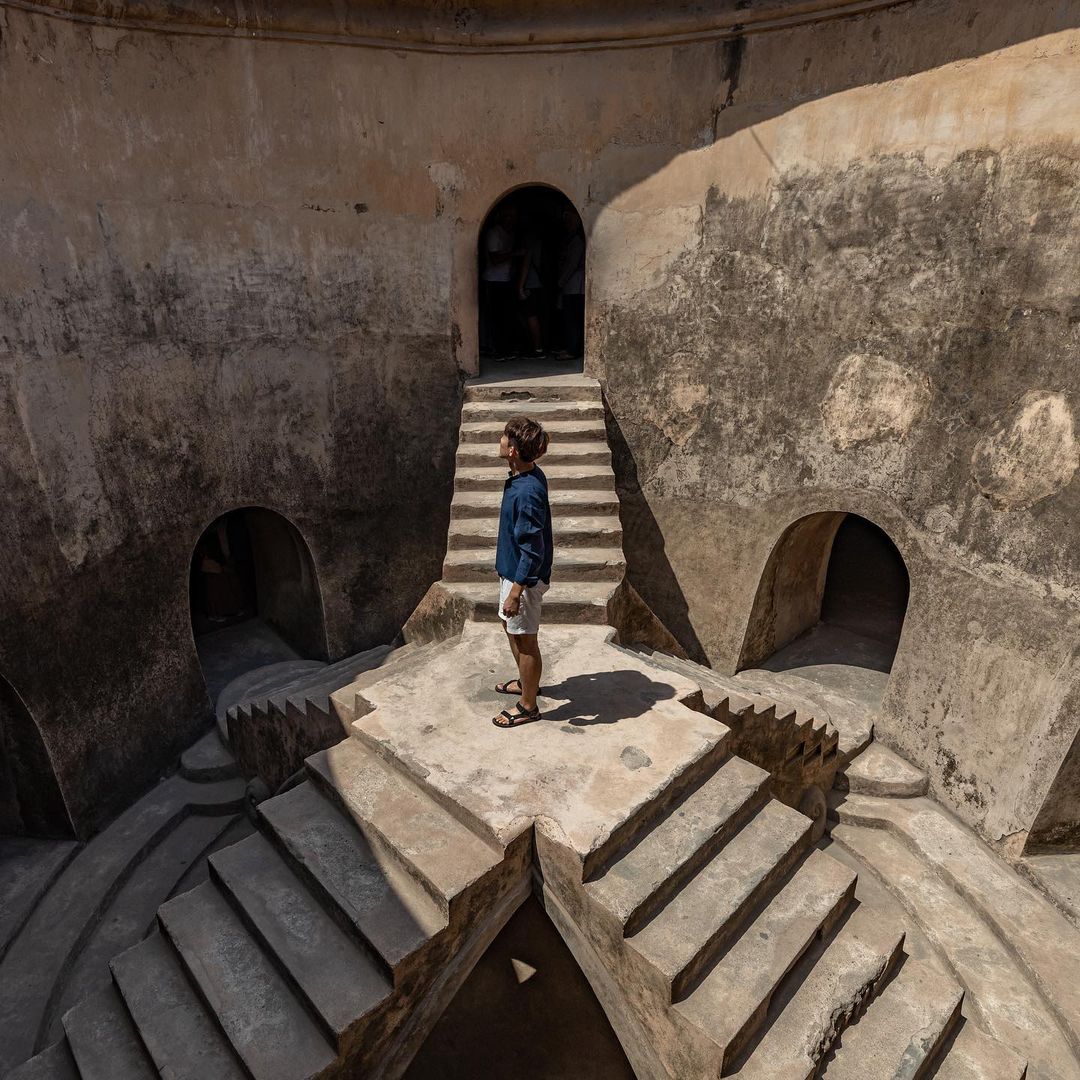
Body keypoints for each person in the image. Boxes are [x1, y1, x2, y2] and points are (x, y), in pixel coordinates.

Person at [492, 416, 553, 728]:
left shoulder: (526, 492)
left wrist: (516, 592)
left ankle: (528, 705)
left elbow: (532, 548)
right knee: (512, 631)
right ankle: (526, 681)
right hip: (514, 573)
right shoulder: (525, 474)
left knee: (526, 641)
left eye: (505, 437)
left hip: (523, 580)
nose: (500, 440)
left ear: (514, 450)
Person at [480, 203, 522, 360]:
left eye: (513, 217)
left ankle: (505, 349)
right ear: (500, 216)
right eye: (507, 216)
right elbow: (495, 259)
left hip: (506, 281)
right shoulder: (494, 234)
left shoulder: (510, 233)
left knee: (506, 317)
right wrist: (515, 253)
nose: (510, 220)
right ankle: (497, 350)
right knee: (496, 317)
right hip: (493, 281)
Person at [554, 208, 585, 361]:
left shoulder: (576, 241)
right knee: (571, 319)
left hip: (574, 286)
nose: (568, 224)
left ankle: (573, 350)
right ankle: (572, 348)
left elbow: (571, 264)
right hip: (572, 285)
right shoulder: (572, 240)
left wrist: (560, 282)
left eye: (570, 221)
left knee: (572, 319)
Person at [516, 227, 546, 359]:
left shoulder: (530, 242)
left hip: (531, 284)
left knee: (530, 316)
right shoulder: (542, 242)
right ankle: (539, 347)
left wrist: (520, 287)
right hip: (540, 284)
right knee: (537, 315)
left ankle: (537, 348)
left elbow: (526, 264)